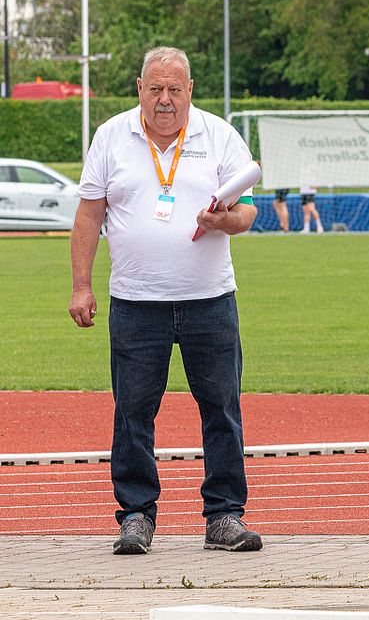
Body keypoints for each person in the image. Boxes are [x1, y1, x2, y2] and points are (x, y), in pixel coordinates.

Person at [67, 46, 263, 555]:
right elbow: (89, 216)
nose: (165, 99)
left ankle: (224, 516)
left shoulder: (218, 134)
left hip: (209, 300)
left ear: (190, 91)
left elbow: (247, 211)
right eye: (155, 88)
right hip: (135, 302)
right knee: (133, 411)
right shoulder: (111, 135)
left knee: (221, 407)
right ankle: (135, 515)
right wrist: (81, 285)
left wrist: (226, 219)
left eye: (175, 89)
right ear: (139, 89)